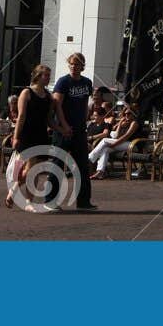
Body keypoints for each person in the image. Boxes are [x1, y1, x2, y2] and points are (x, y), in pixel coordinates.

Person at [6, 64, 54, 209]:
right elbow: (21, 117)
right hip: (27, 135)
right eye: (46, 75)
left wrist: (62, 129)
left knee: (36, 170)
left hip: (41, 134)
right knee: (29, 169)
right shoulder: (26, 93)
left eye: (49, 75)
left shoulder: (48, 96)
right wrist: (16, 137)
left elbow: (49, 119)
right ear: (38, 76)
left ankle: (28, 200)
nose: (48, 78)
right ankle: (15, 192)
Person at [52, 52, 96, 210]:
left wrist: (84, 121)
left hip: (79, 130)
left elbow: (85, 104)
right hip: (63, 130)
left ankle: (83, 201)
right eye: (71, 64)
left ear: (82, 66)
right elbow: (57, 104)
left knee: (82, 166)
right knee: (58, 164)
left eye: (77, 64)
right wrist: (64, 125)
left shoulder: (87, 83)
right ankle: (51, 200)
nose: (73, 67)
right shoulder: (63, 82)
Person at [91, 106, 144, 179]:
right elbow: (117, 136)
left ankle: (90, 159)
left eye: (128, 114)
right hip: (125, 144)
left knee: (104, 140)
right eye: (125, 114)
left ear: (133, 114)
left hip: (134, 145)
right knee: (105, 149)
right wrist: (120, 124)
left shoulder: (134, 123)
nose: (126, 115)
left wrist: (114, 144)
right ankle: (100, 172)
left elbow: (126, 136)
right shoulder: (125, 123)